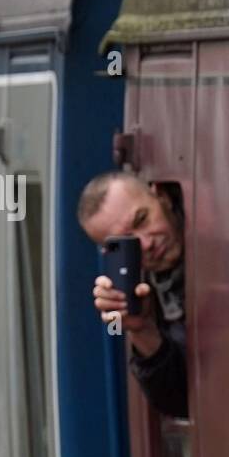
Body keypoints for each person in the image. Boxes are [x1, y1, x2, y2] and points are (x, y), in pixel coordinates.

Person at [77, 171, 188, 419]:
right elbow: (181, 402)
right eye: (127, 243)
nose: (146, 243)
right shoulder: (143, 294)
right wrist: (142, 330)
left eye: (142, 220)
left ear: (162, 196)